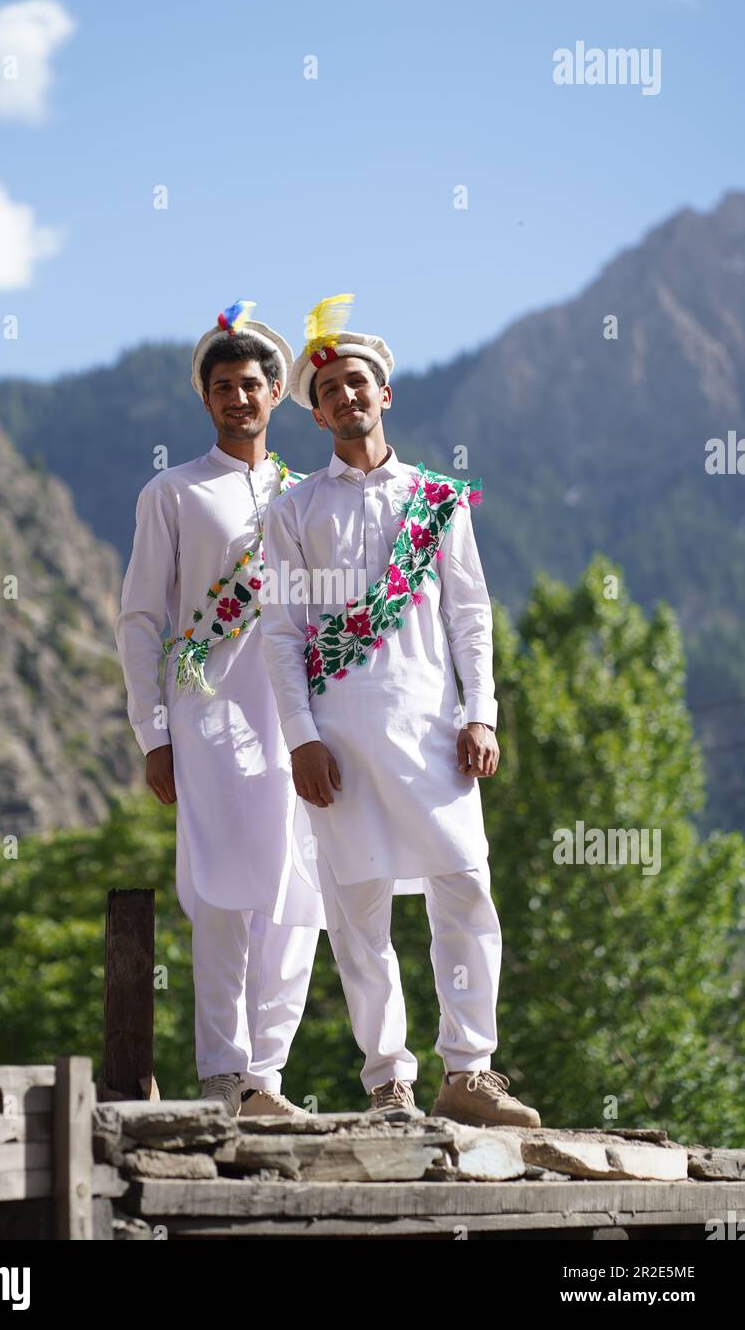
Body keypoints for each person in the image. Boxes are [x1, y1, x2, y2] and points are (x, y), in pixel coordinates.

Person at [259, 295, 540, 1125]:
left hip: (432, 728)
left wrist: (480, 713)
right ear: (314, 412)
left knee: (464, 884)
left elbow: (470, 616)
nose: (348, 398)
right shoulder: (294, 511)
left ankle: (470, 1071)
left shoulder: (440, 501)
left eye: (360, 384)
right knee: (358, 911)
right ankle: (388, 1080)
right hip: (337, 741)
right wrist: (300, 738)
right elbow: (282, 634)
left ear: (387, 396)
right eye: (331, 390)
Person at [115, 301, 325, 1117]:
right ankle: (223, 1072)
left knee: (299, 892)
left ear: (277, 393)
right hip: (208, 719)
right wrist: (152, 732)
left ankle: (268, 1078)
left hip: (298, 721)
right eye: (224, 386)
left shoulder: (305, 497)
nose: (239, 398)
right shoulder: (172, 492)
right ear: (205, 400)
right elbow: (142, 618)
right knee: (226, 891)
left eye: (252, 384)